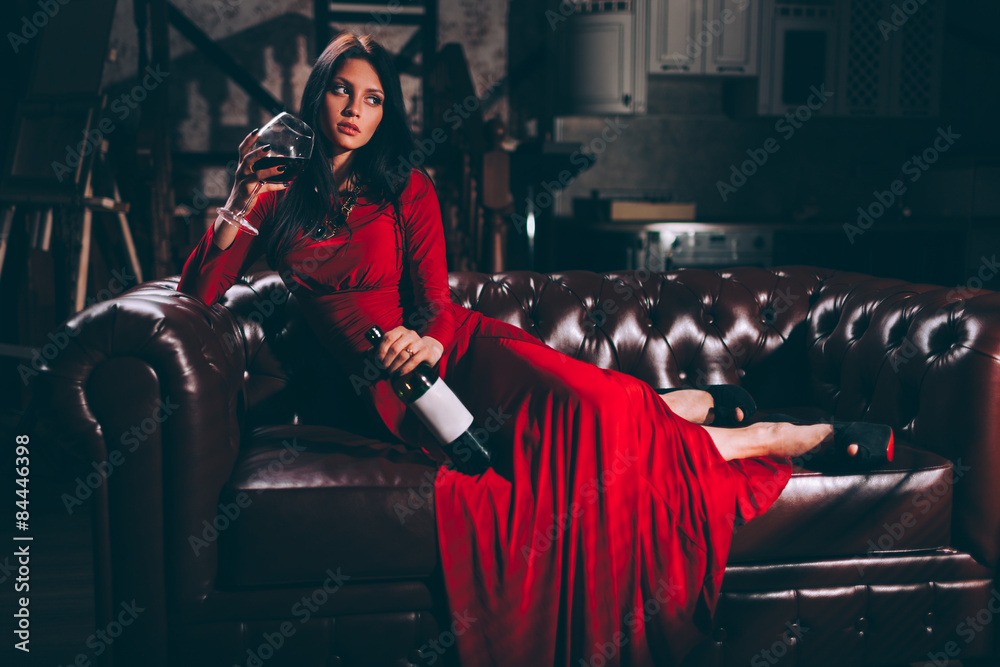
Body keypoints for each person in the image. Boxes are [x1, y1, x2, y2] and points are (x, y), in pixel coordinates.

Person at [178, 32, 893, 667]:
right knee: (596, 430)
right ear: (318, 94)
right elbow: (200, 293)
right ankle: (695, 406)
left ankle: (776, 434)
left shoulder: (407, 190)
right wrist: (237, 200)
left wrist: (423, 340)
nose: (354, 109)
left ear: (385, 112)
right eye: (341, 90)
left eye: (371, 98)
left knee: (602, 408)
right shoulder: (273, 199)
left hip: (461, 351)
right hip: (398, 398)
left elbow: (433, 303)